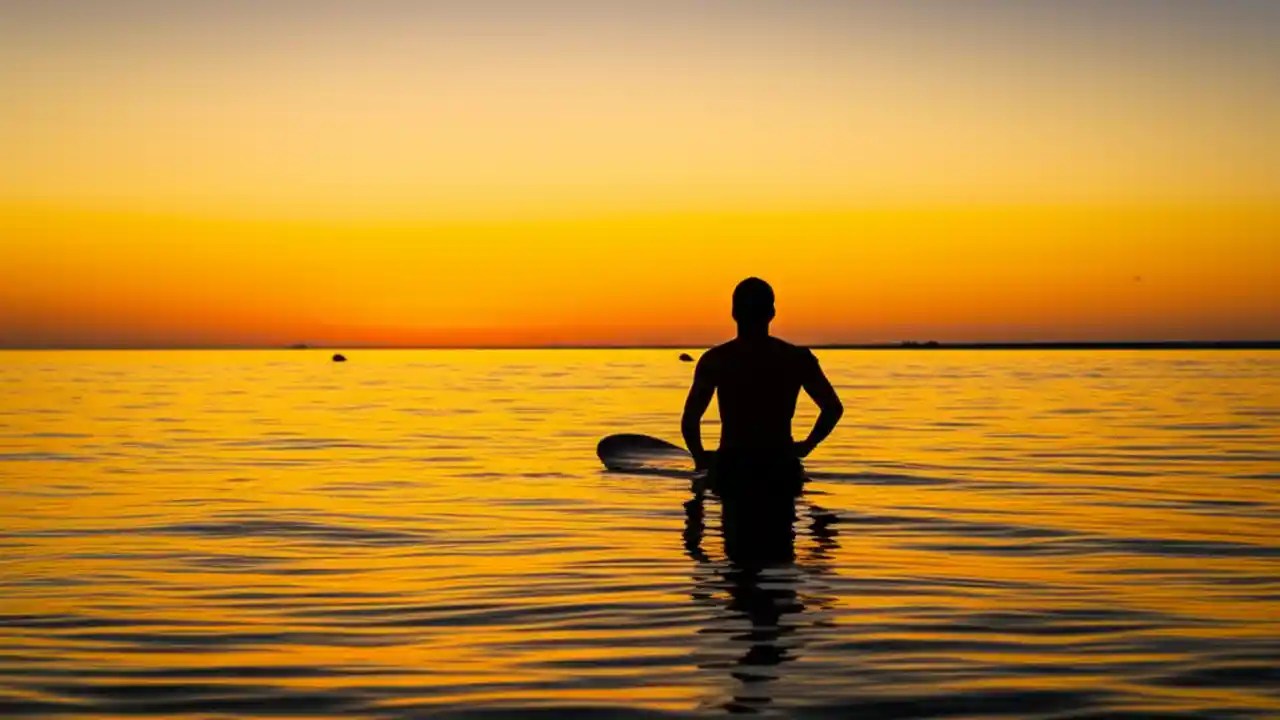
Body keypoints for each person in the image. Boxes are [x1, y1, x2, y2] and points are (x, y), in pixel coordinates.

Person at [681, 277, 843, 500]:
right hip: (780, 466)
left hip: (733, 467)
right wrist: (807, 445)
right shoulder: (796, 359)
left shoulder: (716, 360)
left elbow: (690, 419)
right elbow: (833, 408)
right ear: (772, 312)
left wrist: (700, 458)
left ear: (734, 312)